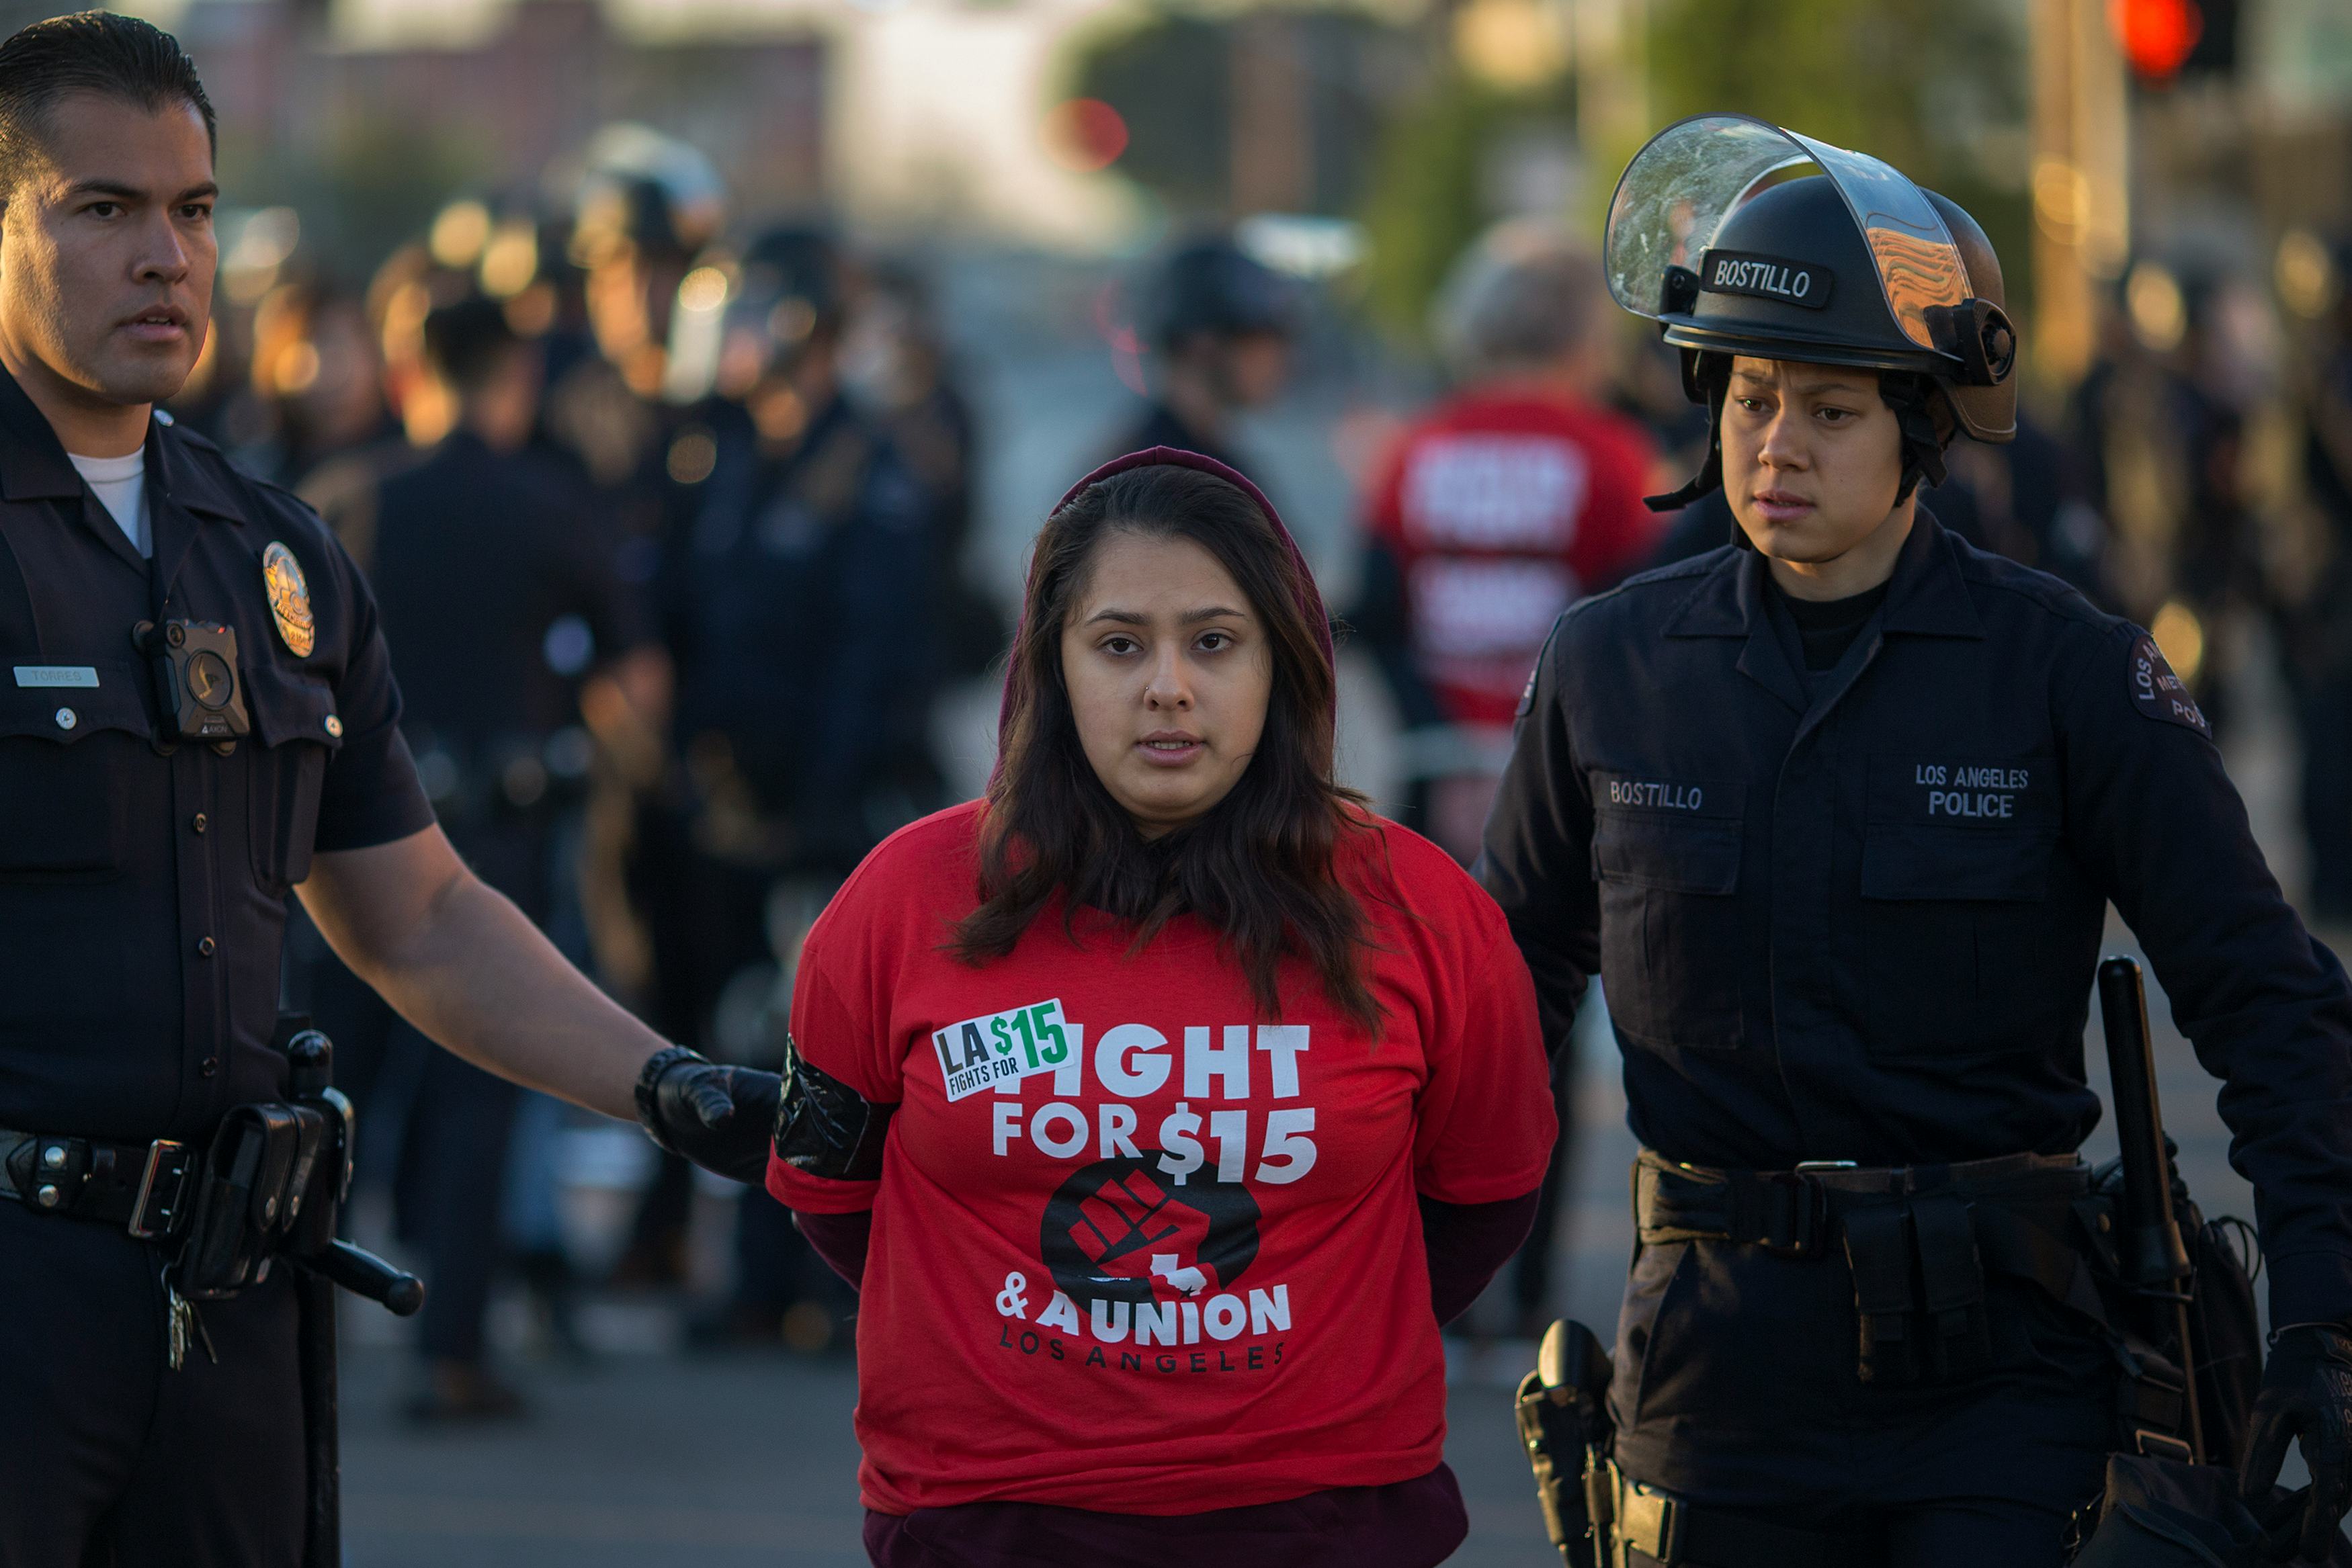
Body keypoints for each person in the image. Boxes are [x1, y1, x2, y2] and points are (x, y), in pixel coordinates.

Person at [1478, 115, 2352, 1565]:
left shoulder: (2069, 674)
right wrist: (1415, 1268)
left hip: (1999, 1385)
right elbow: (1502, 994)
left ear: (1922, 427)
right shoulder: (1609, 667)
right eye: (1751, 395)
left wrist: (2322, 1320)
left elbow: (2269, 1003)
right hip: (1711, 1375)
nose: (1775, 445)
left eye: (1832, 408)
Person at [0, 16, 739, 1563]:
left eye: (194, 210)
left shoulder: (272, 552)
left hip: (233, 1301)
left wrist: (671, 1088)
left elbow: (420, 917)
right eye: (103, 207)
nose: (166, 257)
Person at [650, 447, 1556, 1563]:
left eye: (1214, 642)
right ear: (1050, 666)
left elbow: (1485, 1195)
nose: (1167, 685)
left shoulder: (1425, 911)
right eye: (1120, 642)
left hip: (1326, 1519)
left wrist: (1306, 1345)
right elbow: (837, 1196)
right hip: (985, 1518)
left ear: (1285, 663)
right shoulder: (896, 901)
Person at [358, 295, 658, 1414]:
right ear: (516, 378)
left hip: (347, 839)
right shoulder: (548, 505)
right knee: (475, 1092)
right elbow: (637, 677)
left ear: (410, 369)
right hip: (489, 840)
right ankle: (452, 1352)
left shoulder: (352, 500)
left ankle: (273, 1344)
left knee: (329, 1086)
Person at [1114, 235, 1296, 474]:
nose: (1281, 359)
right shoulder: (1165, 480)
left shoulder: (1195, 454)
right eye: (1261, 340)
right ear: (1203, 345)